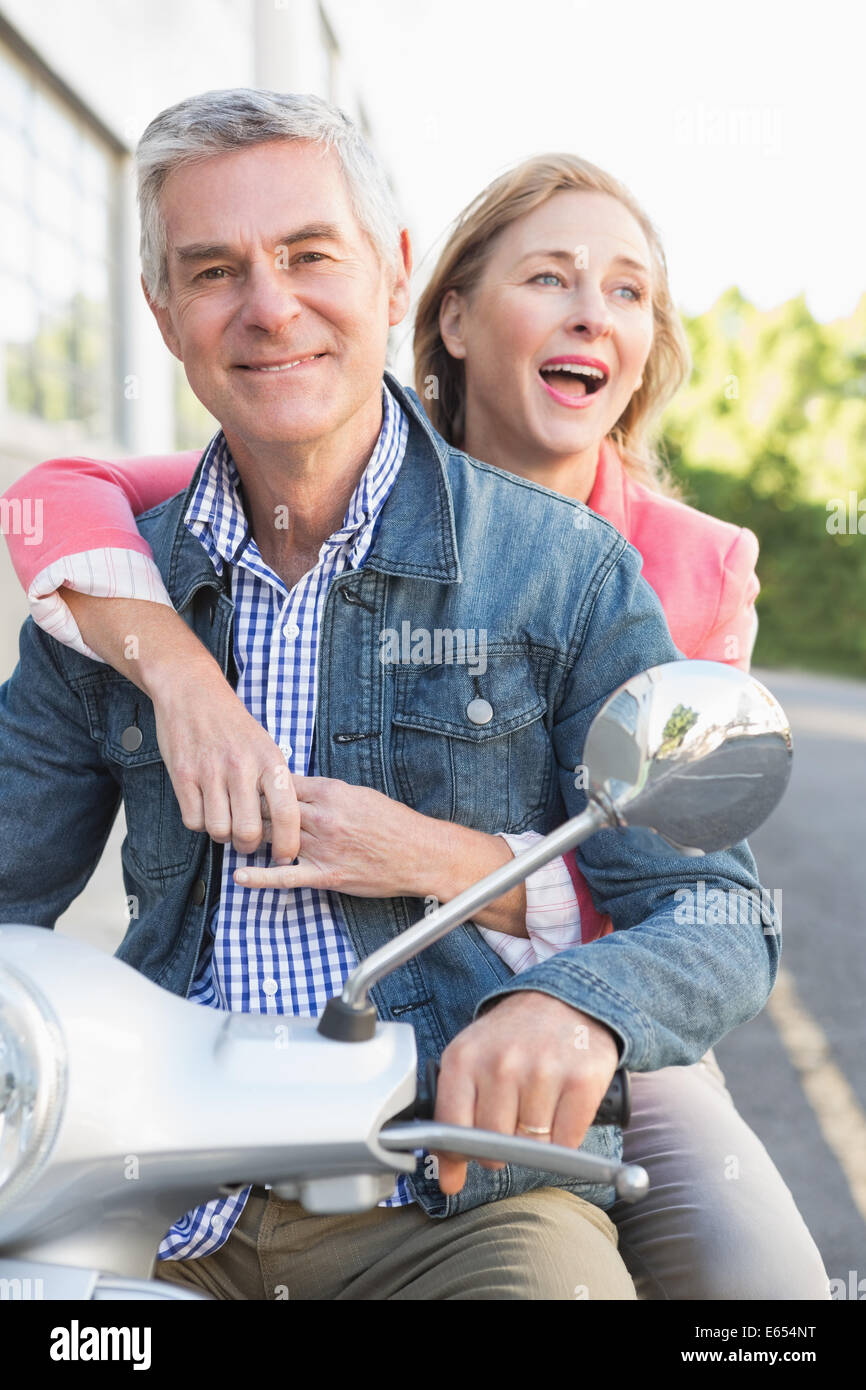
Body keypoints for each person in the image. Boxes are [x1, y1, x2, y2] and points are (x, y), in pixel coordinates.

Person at [0, 90, 782, 1302]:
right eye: (213, 271)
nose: (268, 307)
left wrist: (572, 1009)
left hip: (458, 1198)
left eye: (309, 254)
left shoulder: (570, 571)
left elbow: (711, 907)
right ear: (162, 312)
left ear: (394, 272)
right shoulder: (118, 592)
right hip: (153, 1189)